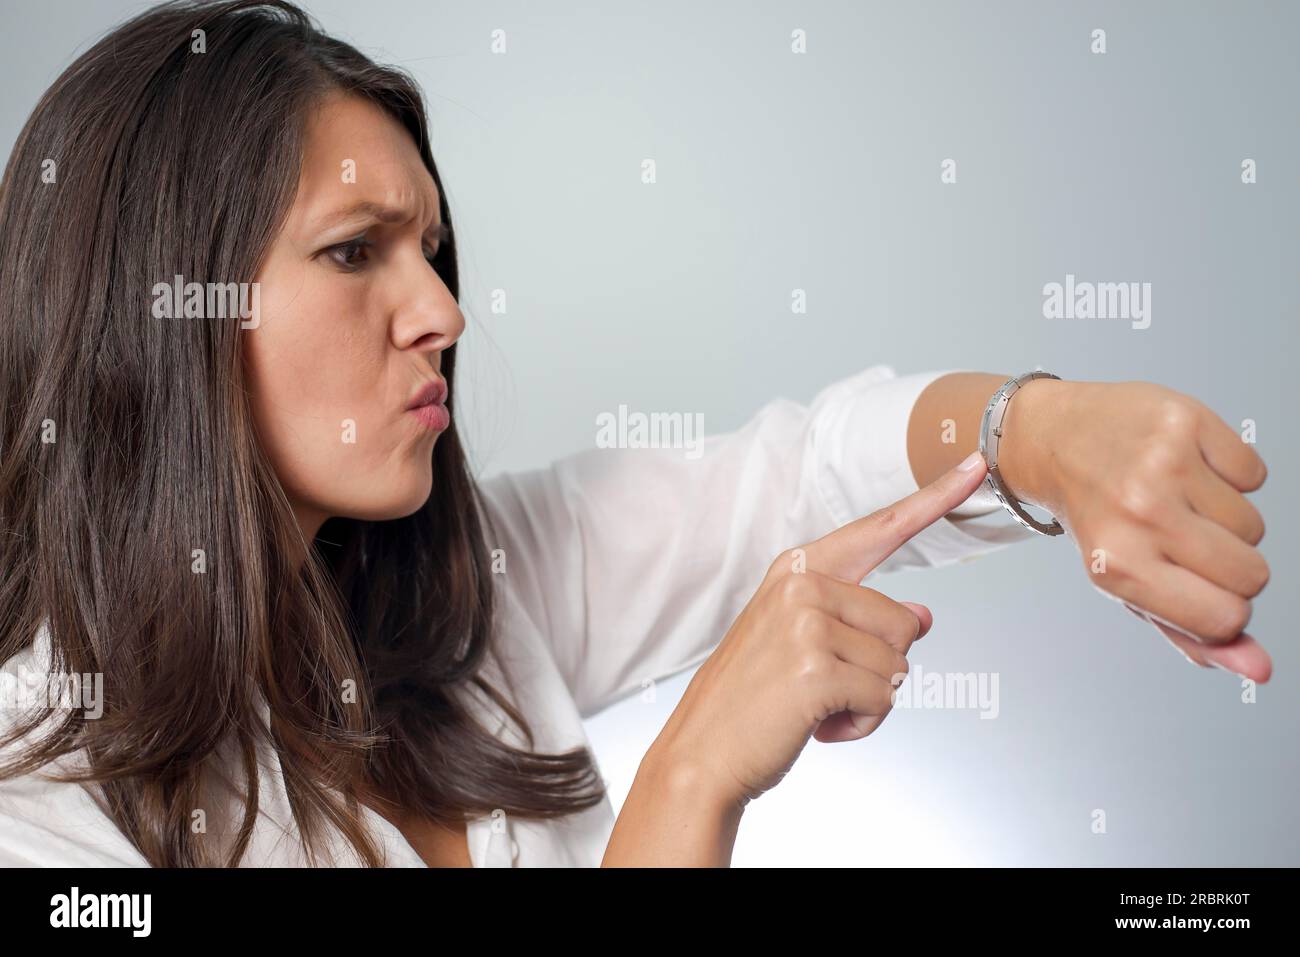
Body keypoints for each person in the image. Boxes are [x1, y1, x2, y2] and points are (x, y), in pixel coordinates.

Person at [0, 0, 1269, 867]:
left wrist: (1038, 432)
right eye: (353, 253)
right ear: (161, 307)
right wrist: (687, 782)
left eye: (433, 254)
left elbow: (805, 475)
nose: (441, 312)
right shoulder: (42, 821)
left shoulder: (467, 592)